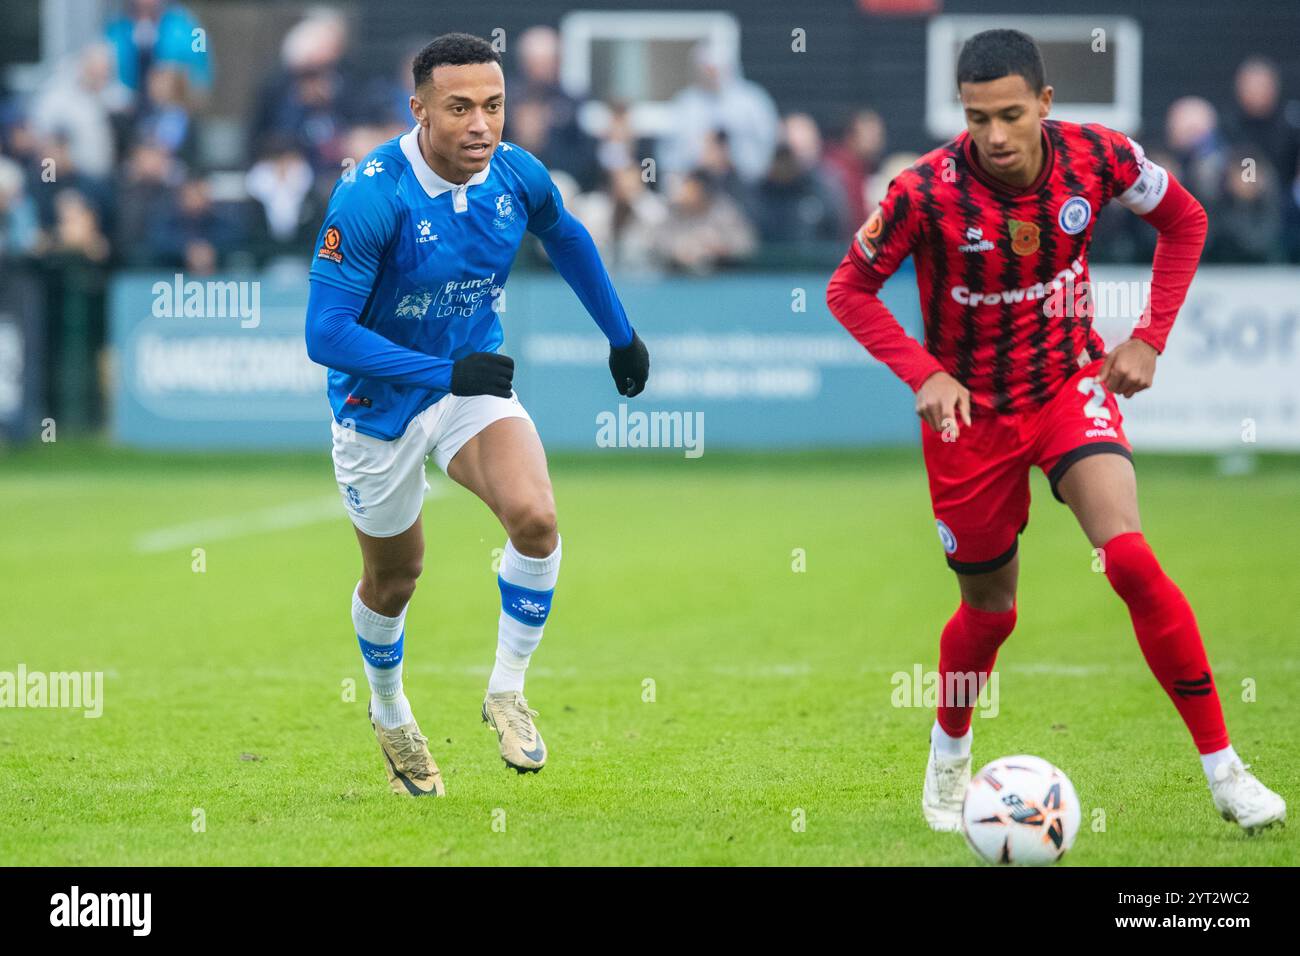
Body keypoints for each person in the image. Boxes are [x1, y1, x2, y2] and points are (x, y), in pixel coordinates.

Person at [825, 29, 1285, 835]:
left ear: (1044, 103)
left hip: (1068, 386)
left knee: (1132, 560)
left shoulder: (1098, 157)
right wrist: (925, 373)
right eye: (976, 120)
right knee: (992, 613)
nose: (994, 137)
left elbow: (1185, 219)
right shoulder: (922, 192)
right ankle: (949, 750)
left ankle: (1227, 773)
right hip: (970, 418)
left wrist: (1148, 337)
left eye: (1009, 114)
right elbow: (849, 289)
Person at [304, 33, 650, 797]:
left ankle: (506, 690)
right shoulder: (371, 194)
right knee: (396, 579)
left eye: (493, 106)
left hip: (470, 386)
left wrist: (621, 336)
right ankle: (391, 711)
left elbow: (566, 234)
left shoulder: (515, 175)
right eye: (459, 108)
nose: (480, 126)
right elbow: (324, 335)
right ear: (419, 109)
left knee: (535, 520)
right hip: (380, 404)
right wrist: (440, 370)